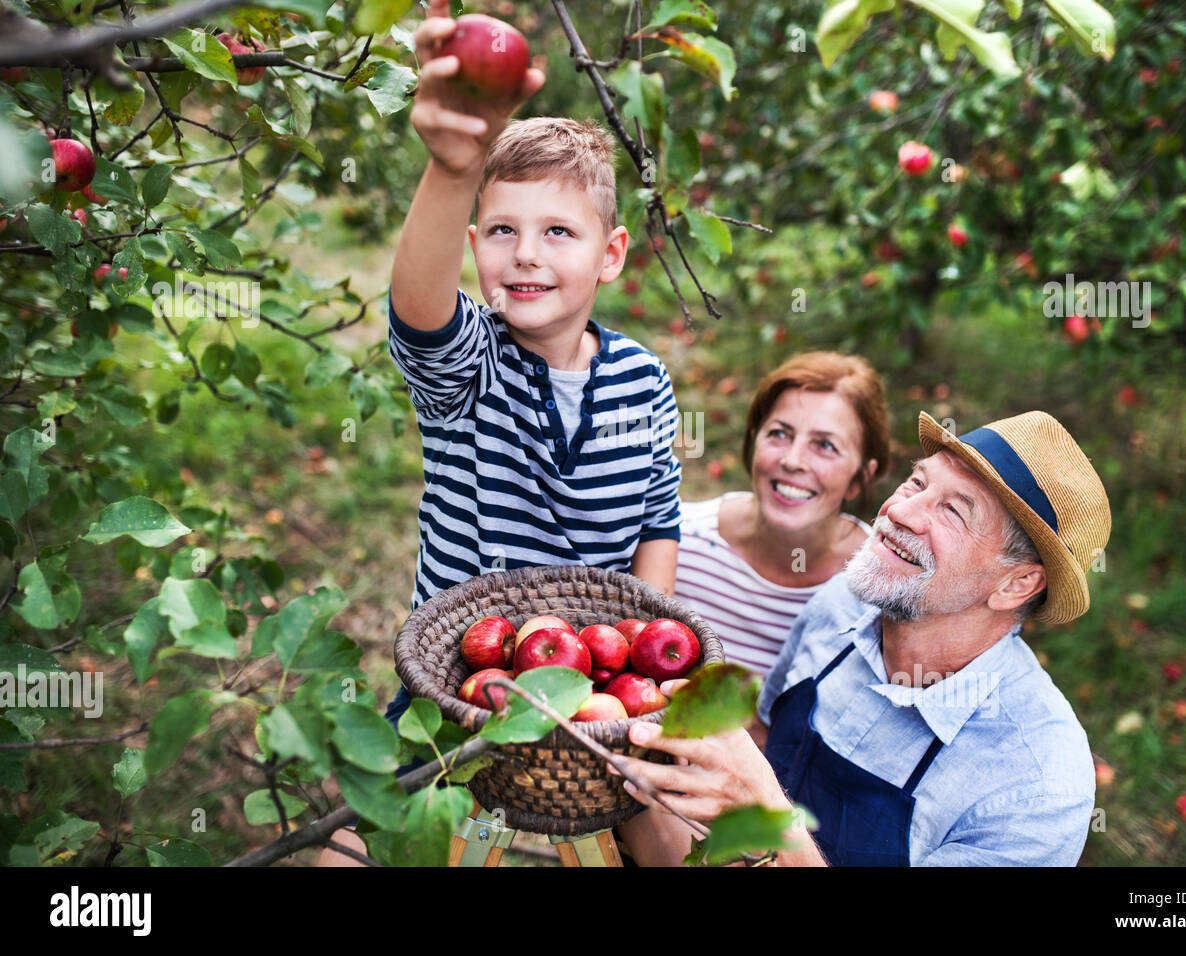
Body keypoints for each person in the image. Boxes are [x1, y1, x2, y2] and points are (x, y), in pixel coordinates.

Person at [319, 1, 682, 866]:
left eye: (559, 232)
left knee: (666, 834)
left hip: (595, 684)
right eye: (505, 232)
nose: (527, 255)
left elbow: (657, 522)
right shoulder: (471, 365)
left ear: (612, 253)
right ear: (476, 245)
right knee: (356, 844)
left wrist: (649, 670)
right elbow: (418, 311)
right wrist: (454, 170)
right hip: (455, 686)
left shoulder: (642, 379)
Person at [615, 410, 1111, 866]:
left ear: (1015, 584)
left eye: (954, 512)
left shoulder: (1037, 785)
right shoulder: (841, 604)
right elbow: (764, 737)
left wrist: (765, 808)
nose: (902, 512)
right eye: (916, 482)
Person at [673, 352, 890, 682]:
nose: (792, 460)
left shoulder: (880, 588)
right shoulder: (678, 540)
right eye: (779, 433)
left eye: (825, 445)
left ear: (861, 476)